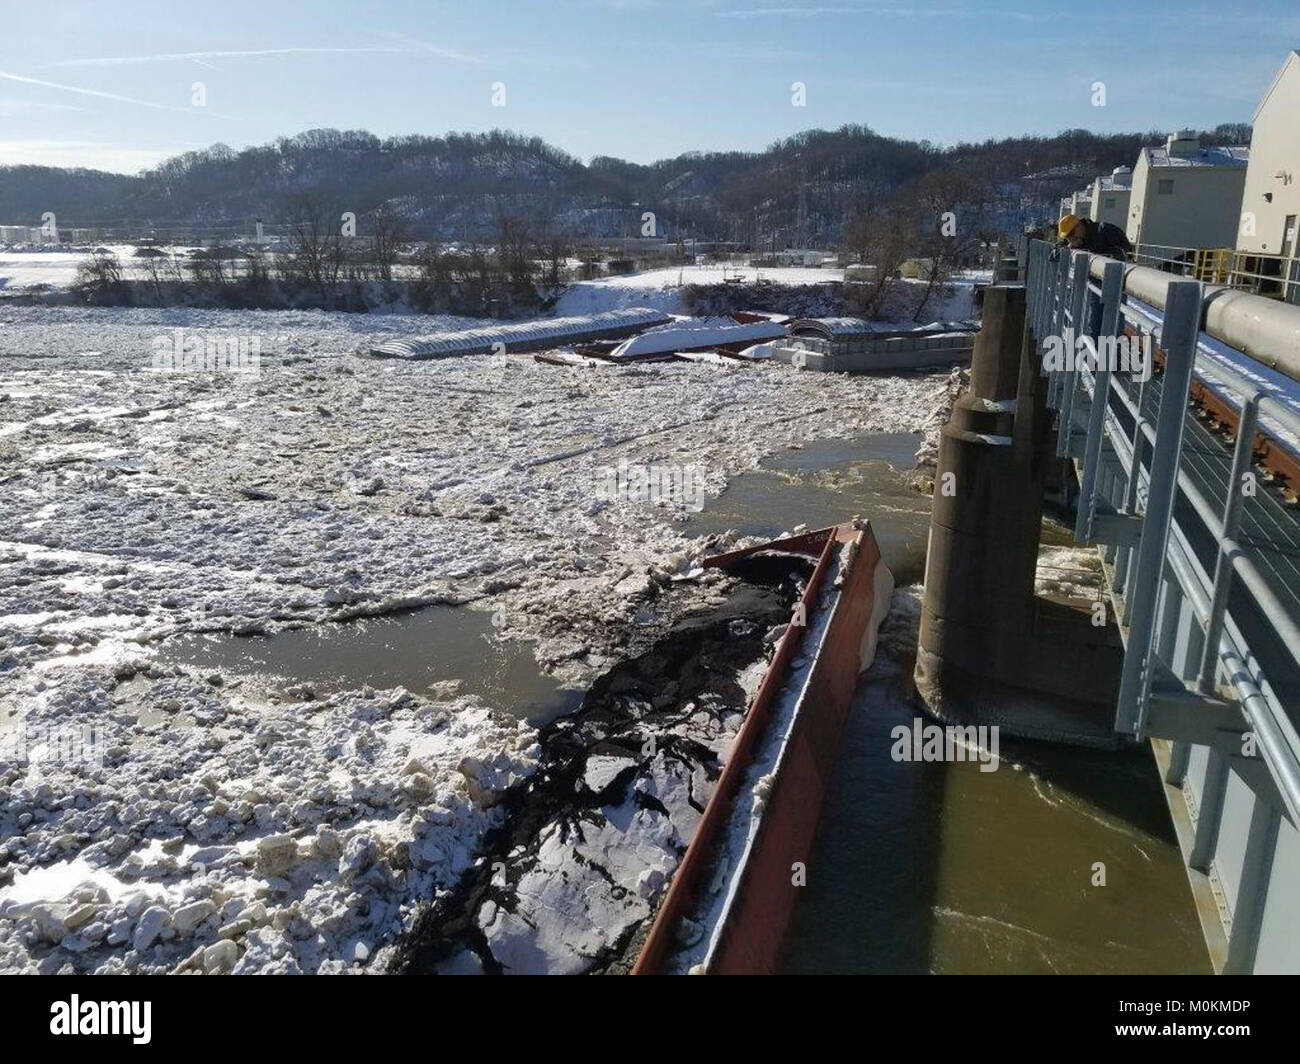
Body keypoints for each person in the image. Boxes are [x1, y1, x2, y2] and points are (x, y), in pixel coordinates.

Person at [1056, 213, 1132, 260]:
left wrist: (1092, 251)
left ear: (1079, 225)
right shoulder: (1073, 240)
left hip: (1109, 279)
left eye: (1071, 233)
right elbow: (1056, 250)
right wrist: (1069, 248)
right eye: (1067, 236)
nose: (1070, 238)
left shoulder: (1105, 230)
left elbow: (1125, 250)